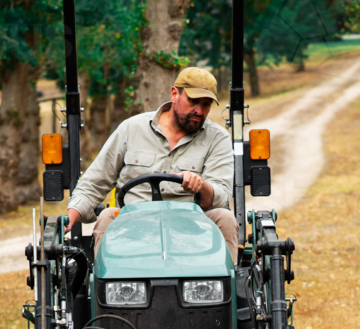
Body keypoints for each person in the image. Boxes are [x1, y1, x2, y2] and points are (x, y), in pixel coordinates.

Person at [65, 67, 239, 261]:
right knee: (107, 216)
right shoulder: (131, 128)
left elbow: (221, 196)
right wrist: (71, 216)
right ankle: (107, 289)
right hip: (133, 223)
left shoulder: (217, 138)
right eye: (193, 101)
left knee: (225, 218)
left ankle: (224, 288)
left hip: (192, 224)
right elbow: (94, 182)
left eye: (206, 104)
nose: (199, 110)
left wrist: (201, 185)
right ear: (175, 94)